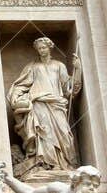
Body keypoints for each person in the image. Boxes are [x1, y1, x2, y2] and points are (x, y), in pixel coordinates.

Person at [8, 37, 80, 175]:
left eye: (43, 48)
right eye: (39, 48)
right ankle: (48, 164)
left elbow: (68, 90)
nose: (41, 50)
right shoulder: (32, 67)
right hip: (39, 103)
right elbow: (21, 85)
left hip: (57, 103)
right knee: (44, 132)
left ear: (49, 47)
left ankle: (64, 163)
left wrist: (78, 69)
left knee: (63, 133)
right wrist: (16, 98)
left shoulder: (59, 66)